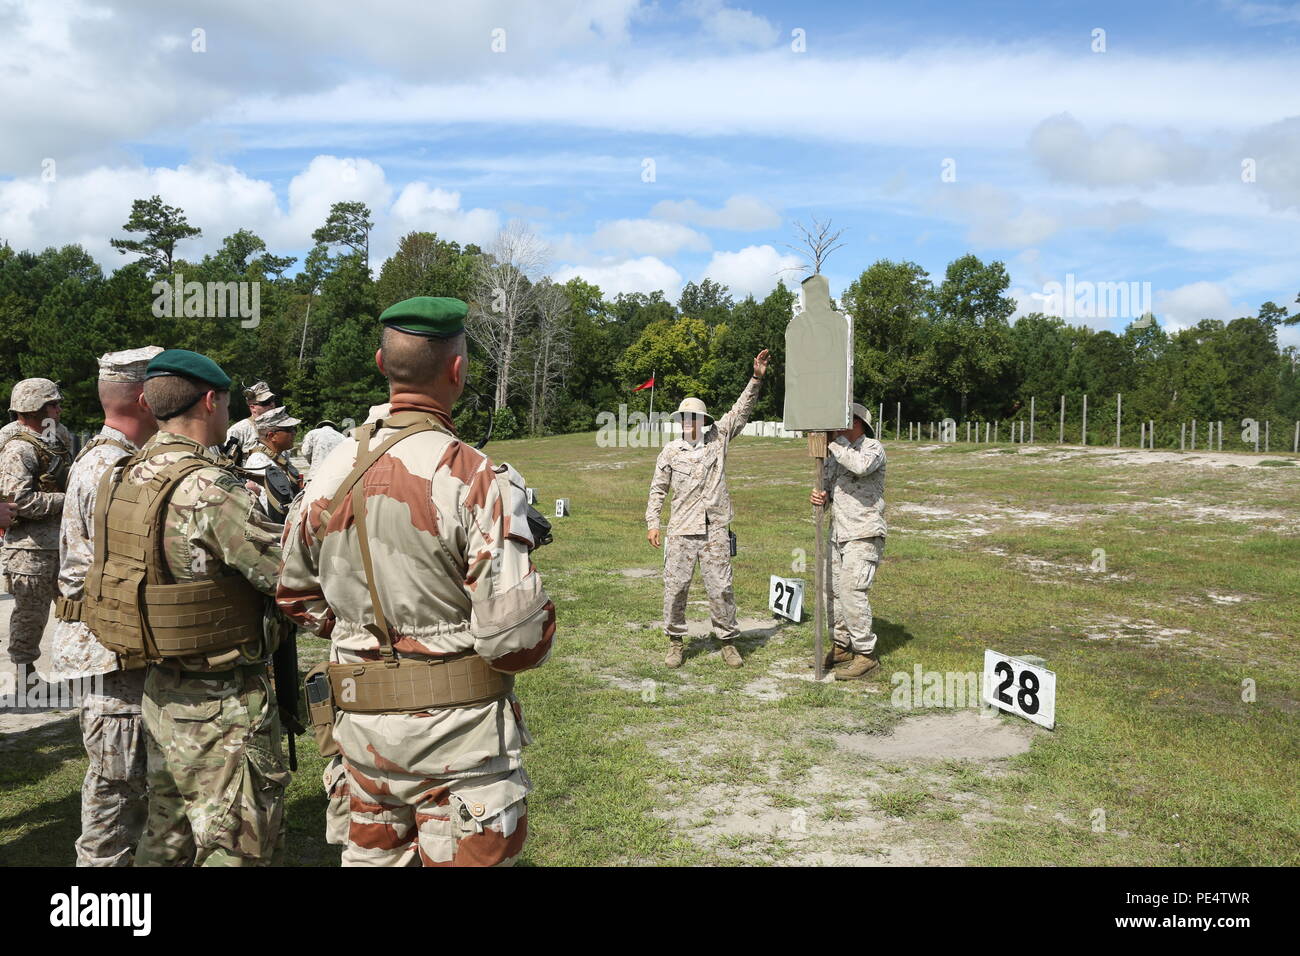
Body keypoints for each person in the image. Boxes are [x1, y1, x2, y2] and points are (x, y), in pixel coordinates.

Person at [278, 295, 556, 867]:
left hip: (361, 737)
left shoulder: (324, 474)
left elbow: (295, 596)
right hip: (460, 743)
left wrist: (359, 632)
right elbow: (516, 643)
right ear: (458, 370)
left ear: (383, 366)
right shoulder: (475, 476)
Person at [81, 349, 290, 866]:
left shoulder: (123, 475)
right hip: (220, 699)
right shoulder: (208, 487)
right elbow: (287, 575)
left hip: (159, 687)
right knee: (236, 845)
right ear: (212, 400)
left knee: (167, 837)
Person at [49, 347, 162, 866]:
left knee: (125, 789)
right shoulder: (113, 467)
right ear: (146, 397)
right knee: (117, 799)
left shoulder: (105, 457)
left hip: (115, 651)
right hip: (114, 656)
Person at [645, 350, 769, 669]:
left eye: (695, 419)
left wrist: (756, 377)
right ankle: (675, 642)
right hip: (681, 531)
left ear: (704, 421)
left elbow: (741, 409)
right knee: (675, 589)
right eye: (685, 419)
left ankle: (727, 641)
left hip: (715, 529)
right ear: (680, 422)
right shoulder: (671, 451)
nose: (690, 424)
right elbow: (658, 489)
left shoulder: (719, 439)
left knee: (721, 588)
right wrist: (652, 523)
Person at [809, 402, 887, 680]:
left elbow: (862, 466)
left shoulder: (872, 448)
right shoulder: (836, 456)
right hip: (838, 533)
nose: (834, 428)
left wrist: (830, 445)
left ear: (856, 423)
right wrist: (821, 498)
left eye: (840, 422)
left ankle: (865, 654)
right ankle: (841, 644)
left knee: (853, 591)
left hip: (863, 533)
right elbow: (828, 492)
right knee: (832, 591)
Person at [0, 378, 71, 674]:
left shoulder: (56, 439)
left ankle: (76, 671)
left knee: (75, 611)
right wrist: (68, 499)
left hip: (62, 543)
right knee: (31, 615)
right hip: (30, 550)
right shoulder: (18, 449)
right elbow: (21, 502)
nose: (58, 410)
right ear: (32, 409)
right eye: (51, 405)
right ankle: (25, 676)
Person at [242, 407, 303, 524]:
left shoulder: (277, 457)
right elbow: (274, 512)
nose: (294, 433)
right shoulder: (261, 463)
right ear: (271, 436)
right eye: (289, 429)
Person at [223, 380, 277, 454]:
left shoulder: (281, 427)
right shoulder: (238, 430)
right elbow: (225, 461)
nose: (272, 404)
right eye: (266, 402)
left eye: (272, 400)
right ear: (252, 407)